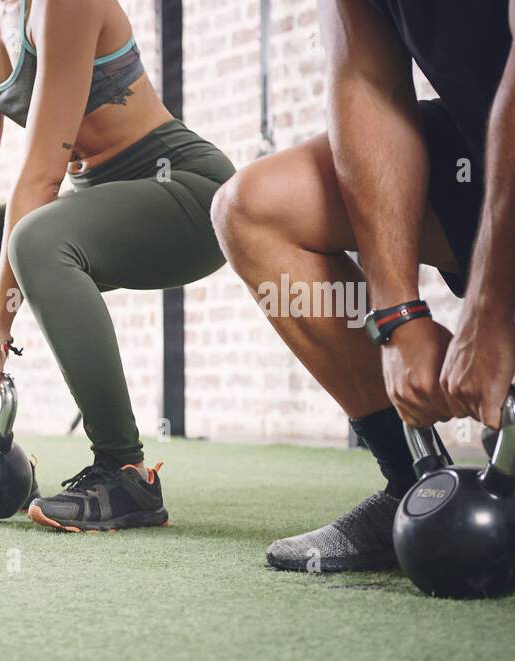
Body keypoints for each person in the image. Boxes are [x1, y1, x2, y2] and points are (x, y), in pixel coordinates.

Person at [0, 0, 235, 530]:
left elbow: (41, 178)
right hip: (89, 205)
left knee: (35, 237)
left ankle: (126, 471)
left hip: (185, 194)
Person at [212, 0, 515, 572]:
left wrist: (490, 314)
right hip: (481, 157)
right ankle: (413, 484)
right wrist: (398, 318)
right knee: (253, 210)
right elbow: (368, 85)